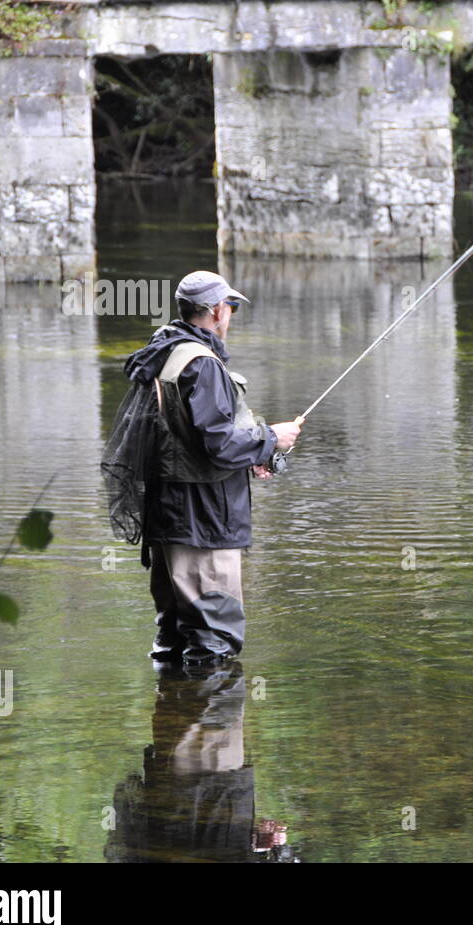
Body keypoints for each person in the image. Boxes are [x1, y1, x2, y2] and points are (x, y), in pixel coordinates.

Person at [119, 270, 300, 664]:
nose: (231, 314)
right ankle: (208, 704)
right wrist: (271, 438)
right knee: (213, 644)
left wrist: (253, 454)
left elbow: (180, 438)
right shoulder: (203, 364)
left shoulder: (163, 351)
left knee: (173, 639)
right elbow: (218, 443)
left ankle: (173, 702)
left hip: (168, 516)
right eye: (231, 306)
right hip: (204, 521)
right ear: (218, 311)